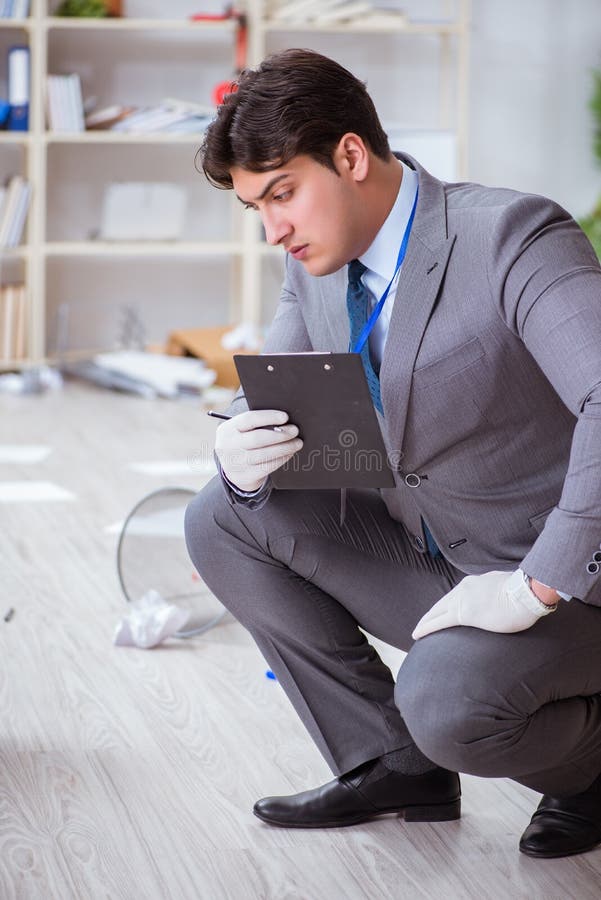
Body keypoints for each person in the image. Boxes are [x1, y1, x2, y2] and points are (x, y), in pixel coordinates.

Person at [185, 48, 601, 859]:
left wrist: (540, 582)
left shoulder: (512, 235)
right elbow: (279, 389)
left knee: (444, 702)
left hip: (566, 581)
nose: (273, 227)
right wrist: (237, 438)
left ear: (349, 154)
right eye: (255, 207)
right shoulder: (315, 265)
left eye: (281, 194)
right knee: (221, 516)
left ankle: (587, 770)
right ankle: (393, 762)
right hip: (444, 558)